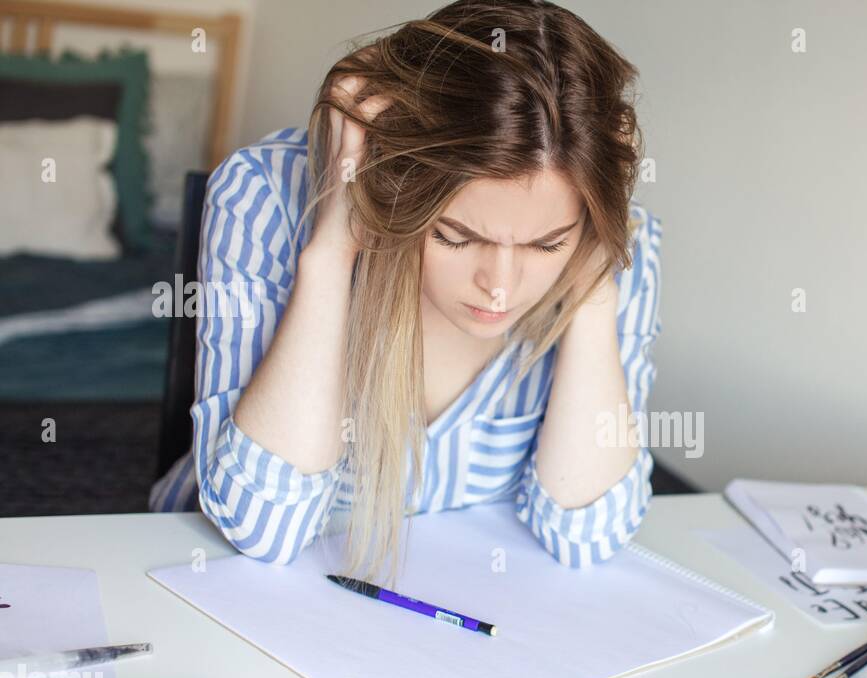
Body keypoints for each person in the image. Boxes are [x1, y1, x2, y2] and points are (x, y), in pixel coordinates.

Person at [150, 0, 662, 583]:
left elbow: (587, 538)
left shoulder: (617, 250)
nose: (498, 286)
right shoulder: (262, 195)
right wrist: (334, 243)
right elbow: (263, 529)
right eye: (454, 236)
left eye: (545, 245)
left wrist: (596, 265)